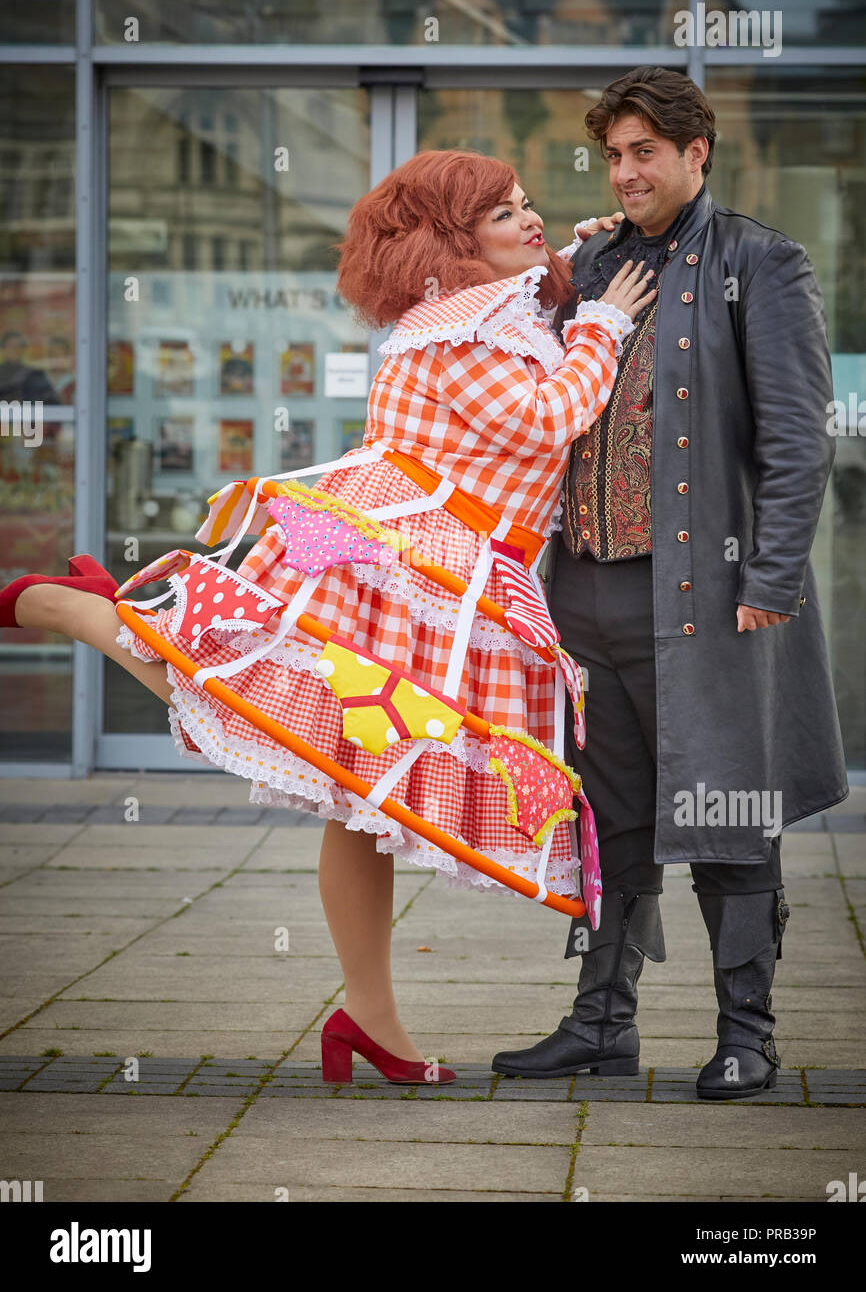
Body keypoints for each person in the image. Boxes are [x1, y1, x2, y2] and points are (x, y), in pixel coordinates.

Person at [0, 149, 655, 1086]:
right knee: (255, 690)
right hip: (407, 560)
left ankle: (368, 1017)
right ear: (455, 242)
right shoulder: (454, 327)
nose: (533, 221)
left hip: (457, 568)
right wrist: (603, 322)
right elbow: (550, 417)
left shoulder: (496, 313)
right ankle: (75, 610)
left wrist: (578, 265)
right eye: (507, 215)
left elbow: (538, 335)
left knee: (363, 788)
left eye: (530, 205)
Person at [491, 66, 849, 1100]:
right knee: (605, 823)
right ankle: (599, 1022)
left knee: (728, 814)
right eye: (613, 153)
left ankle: (748, 1032)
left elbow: (794, 441)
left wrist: (771, 577)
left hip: (706, 597)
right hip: (585, 596)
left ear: (698, 152)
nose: (626, 168)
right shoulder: (592, 257)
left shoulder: (760, 261)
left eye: (644, 150)